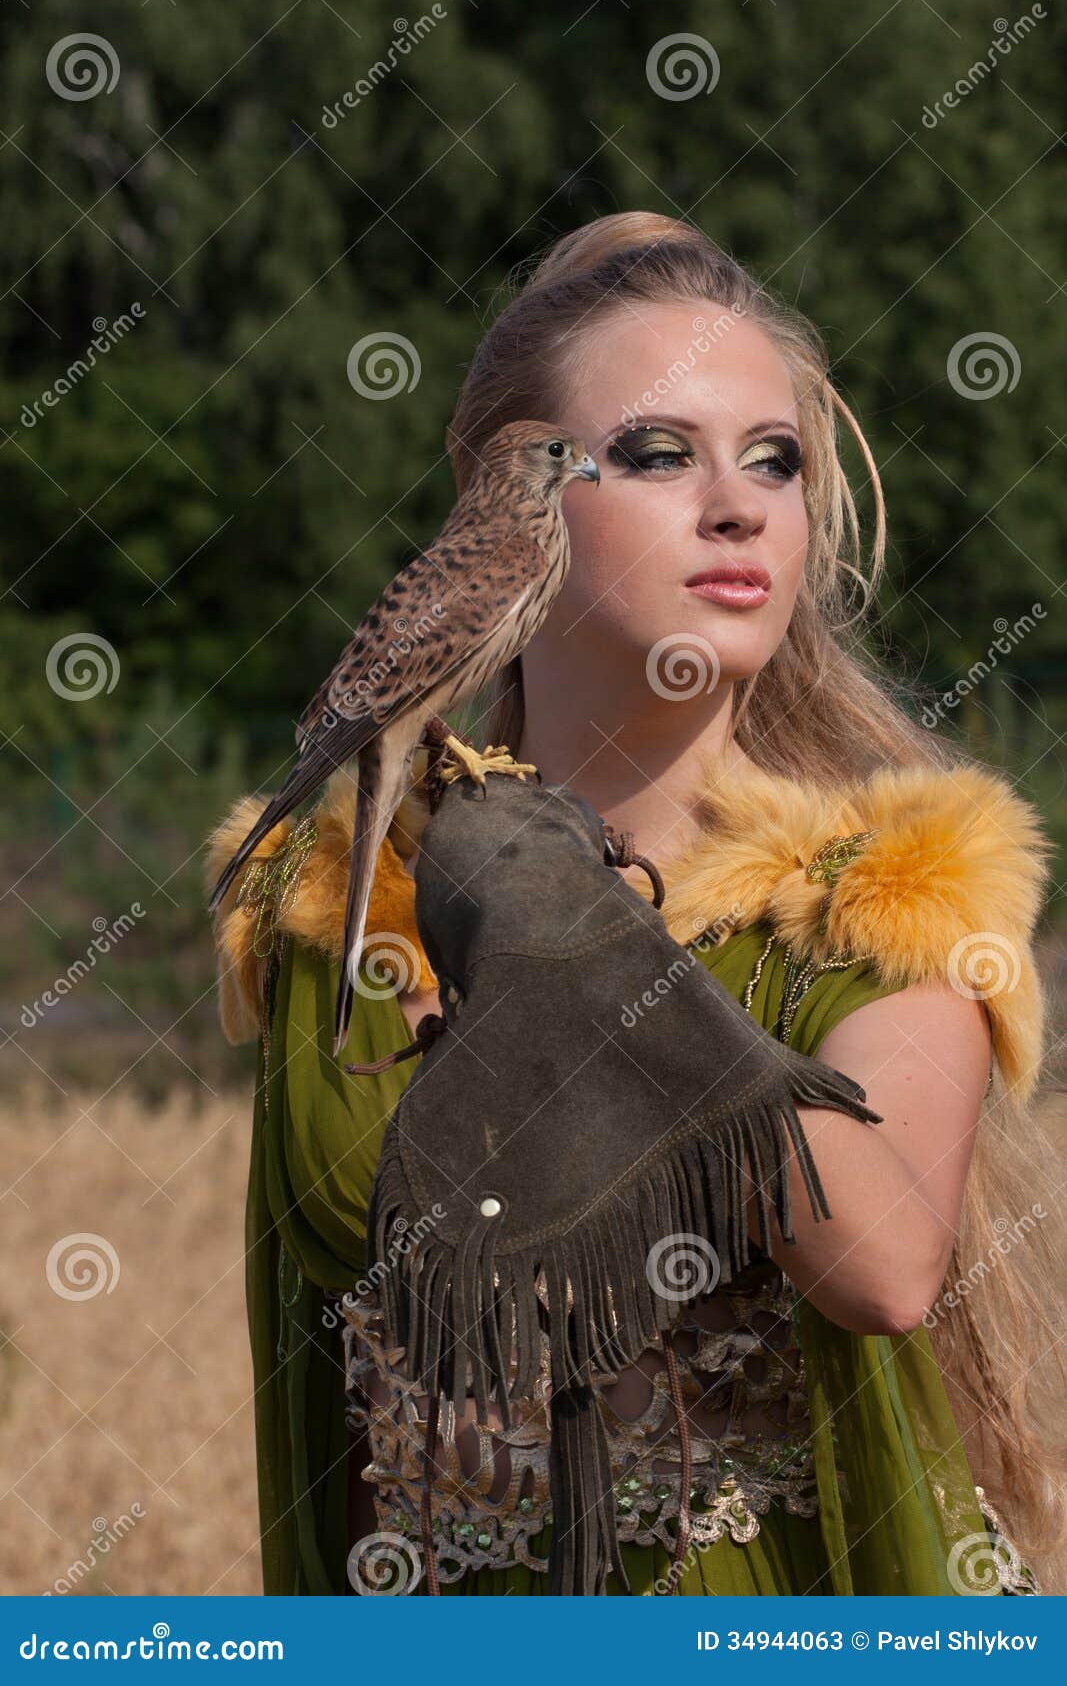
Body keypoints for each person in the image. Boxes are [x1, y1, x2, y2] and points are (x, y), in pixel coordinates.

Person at [206, 211, 1064, 1597]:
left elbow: (886, 1261)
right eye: (660, 454)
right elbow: (332, 1421)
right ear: (519, 493)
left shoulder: (877, 894)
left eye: (772, 462)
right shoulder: (340, 906)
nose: (737, 505)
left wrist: (594, 941)